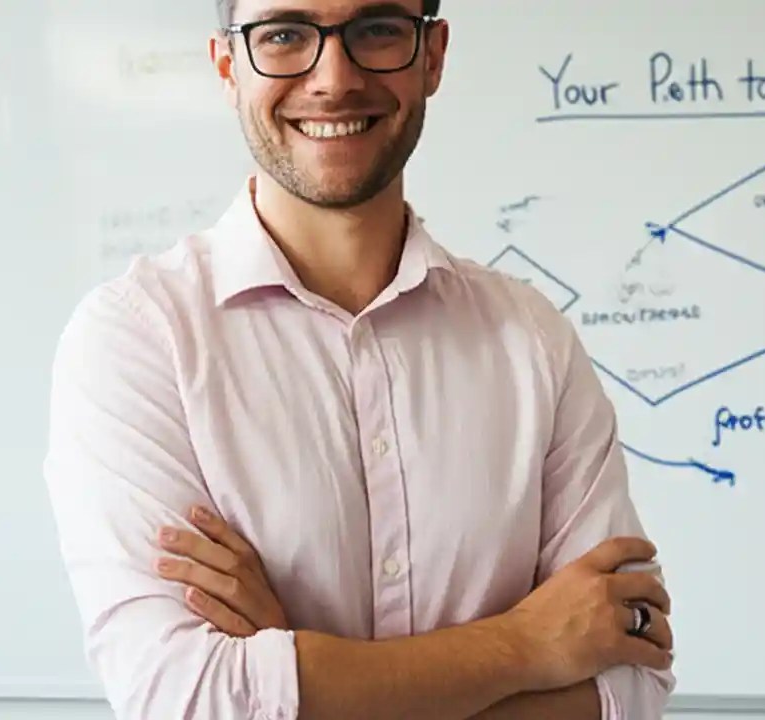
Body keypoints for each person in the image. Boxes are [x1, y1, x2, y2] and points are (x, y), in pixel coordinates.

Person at [41, 0, 676, 718]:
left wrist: (295, 669)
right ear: (228, 65)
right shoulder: (139, 340)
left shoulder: (532, 340)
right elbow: (185, 697)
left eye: (377, 29)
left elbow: (630, 685)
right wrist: (525, 647)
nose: (334, 78)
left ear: (432, 55)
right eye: (284, 34)